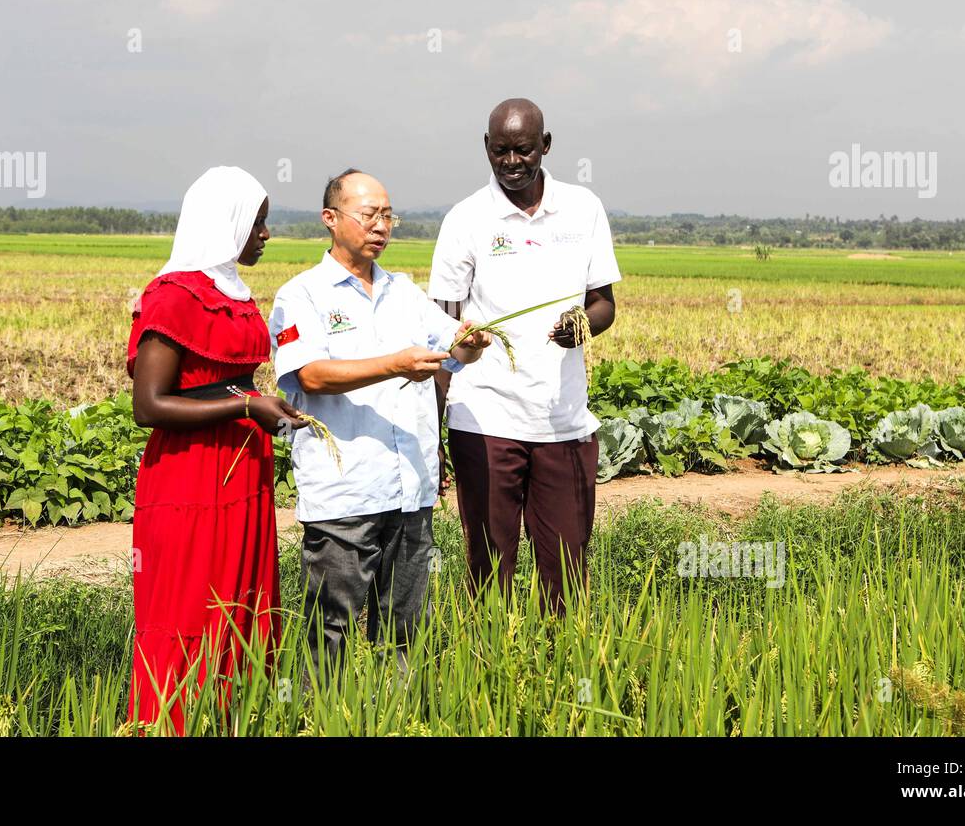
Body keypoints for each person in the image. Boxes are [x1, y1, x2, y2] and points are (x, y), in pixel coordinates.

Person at [268, 168, 490, 675]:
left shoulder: (405, 292)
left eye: (387, 216)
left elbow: (451, 348)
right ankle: (317, 722)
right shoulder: (301, 295)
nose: (381, 226)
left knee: (405, 634)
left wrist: (471, 343)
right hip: (345, 493)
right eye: (368, 215)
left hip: (410, 489)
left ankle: (398, 719)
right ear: (330, 218)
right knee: (328, 631)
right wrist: (394, 363)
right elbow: (310, 374)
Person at [125, 165, 308, 734]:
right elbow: (149, 405)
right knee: (185, 610)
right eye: (257, 221)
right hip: (188, 477)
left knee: (241, 605)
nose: (266, 233)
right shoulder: (173, 297)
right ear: (225, 221)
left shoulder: (233, 291)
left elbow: (235, 381)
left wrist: (260, 405)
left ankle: (234, 722)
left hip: (241, 474)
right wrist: (245, 408)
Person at [429, 98, 621, 614]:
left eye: (523, 150)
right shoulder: (466, 219)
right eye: (500, 151)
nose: (511, 162)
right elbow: (442, 328)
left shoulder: (583, 210)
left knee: (566, 571)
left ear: (546, 146)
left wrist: (583, 324)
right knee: (488, 569)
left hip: (563, 420)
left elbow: (603, 304)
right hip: (485, 419)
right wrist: (435, 420)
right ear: (486, 148)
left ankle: (559, 676)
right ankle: (487, 675)